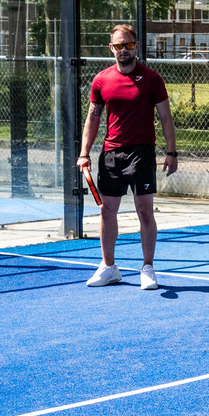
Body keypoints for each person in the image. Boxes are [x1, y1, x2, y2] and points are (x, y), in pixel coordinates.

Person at [78, 24, 178, 290]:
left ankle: (147, 268)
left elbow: (165, 117)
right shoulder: (101, 80)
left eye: (129, 45)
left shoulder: (153, 79)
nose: (124, 50)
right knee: (106, 210)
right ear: (111, 48)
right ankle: (109, 267)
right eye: (119, 46)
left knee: (144, 210)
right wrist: (84, 154)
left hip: (142, 153)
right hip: (111, 154)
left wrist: (171, 152)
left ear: (136, 46)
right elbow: (93, 117)